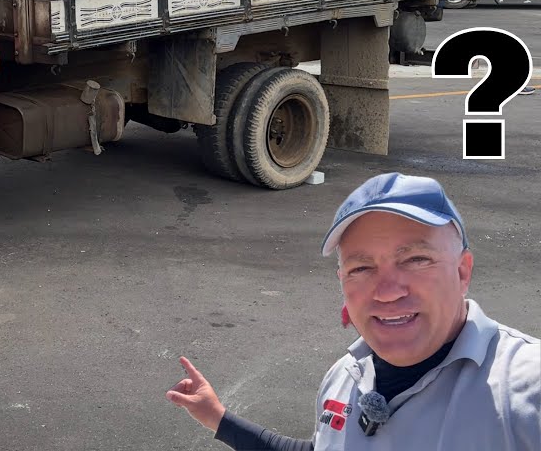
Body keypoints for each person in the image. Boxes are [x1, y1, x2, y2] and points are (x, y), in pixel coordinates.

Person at [167, 172, 539, 450]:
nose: (388, 291)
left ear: (462, 272)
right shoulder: (344, 377)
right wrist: (219, 418)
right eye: (361, 268)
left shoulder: (524, 389)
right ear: (341, 281)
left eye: (415, 259)